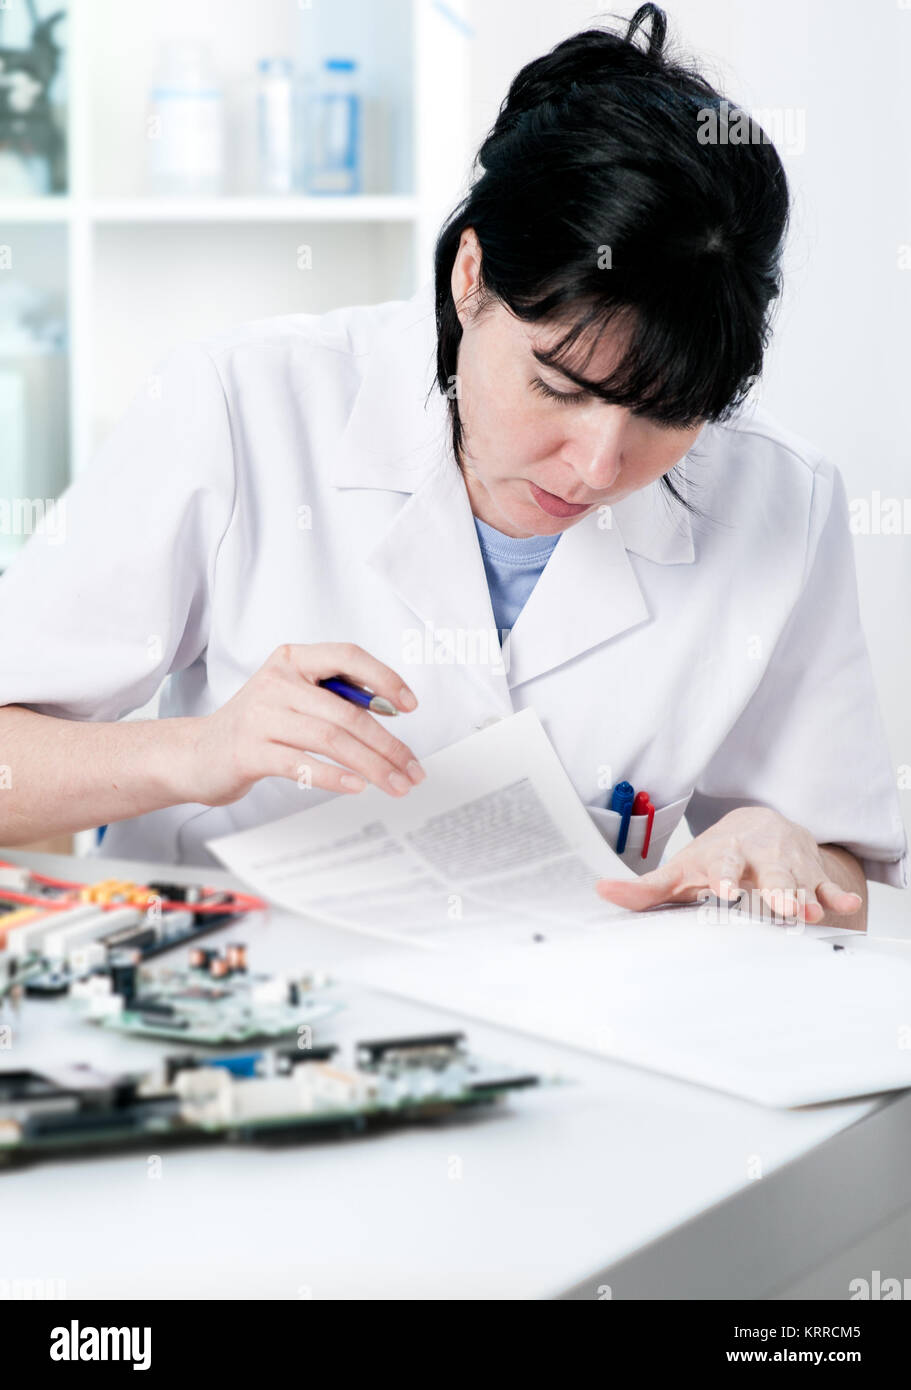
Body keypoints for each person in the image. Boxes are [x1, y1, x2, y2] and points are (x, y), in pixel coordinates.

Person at [0, 5, 905, 929]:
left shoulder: (779, 501)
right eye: (558, 385)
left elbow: (843, 880)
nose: (596, 465)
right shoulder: (242, 403)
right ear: (470, 276)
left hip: (567, 1029)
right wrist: (196, 753)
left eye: (670, 413)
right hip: (225, 1004)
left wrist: (786, 856)